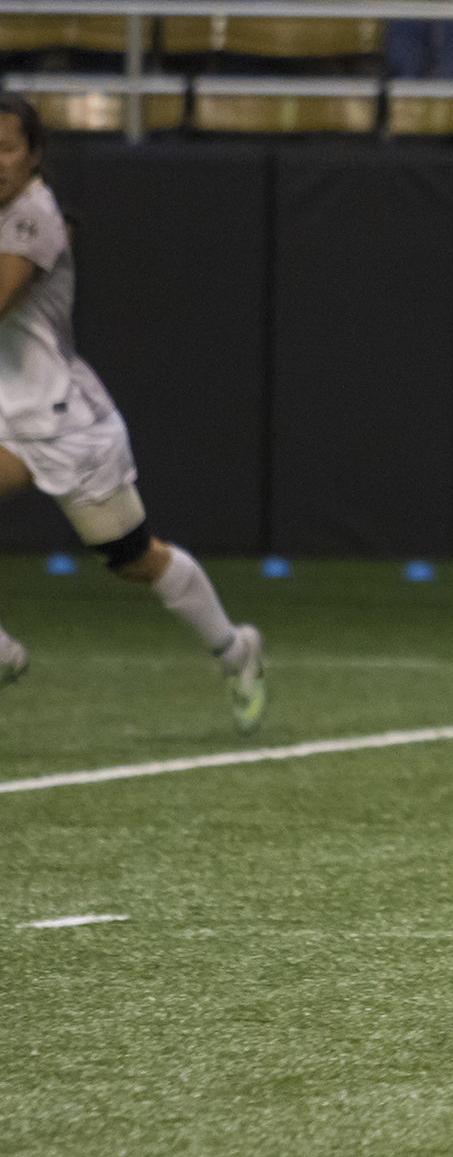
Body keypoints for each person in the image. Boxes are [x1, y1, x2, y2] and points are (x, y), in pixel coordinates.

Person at [0, 95, 265, 730]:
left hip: (66, 425)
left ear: (34, 155)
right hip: (8, 417)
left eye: (7, 147)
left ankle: (235, 649)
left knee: (133, 558)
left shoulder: (34, 216)